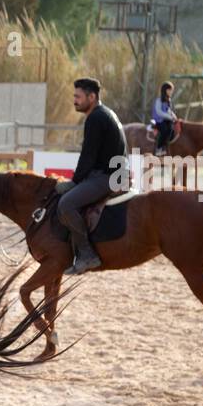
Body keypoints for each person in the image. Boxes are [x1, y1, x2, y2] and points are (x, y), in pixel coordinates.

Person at [58, 77, 126, 275]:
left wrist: (75, 182)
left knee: (66, 204)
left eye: (78, 97)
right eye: (74, 96)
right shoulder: (107, 113)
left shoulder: (95, 118)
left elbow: (88, 156)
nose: (75, 101)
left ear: (92, 96)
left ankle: (87, 255)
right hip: (114, 173)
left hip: (106, 177)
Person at [151, 81, 177, 154]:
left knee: (172, 129)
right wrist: (169, 117)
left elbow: (169, 110)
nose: (171, 92)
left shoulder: (168, 100)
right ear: (165, 90)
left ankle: (167, 148)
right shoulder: (159, 100)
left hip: (166, 120)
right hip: (158, 120)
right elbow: (159, 112)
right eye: (170, 90)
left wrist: (173, 116)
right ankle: (159, 148)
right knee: (165, 130)